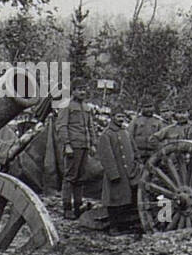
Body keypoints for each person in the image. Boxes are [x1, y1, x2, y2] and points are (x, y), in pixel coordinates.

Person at [55, 82, 96, 219]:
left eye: (84, 89)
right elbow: (61, 126)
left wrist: (92, 144)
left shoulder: (86, 107)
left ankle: (78, 207)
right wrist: (67, 144)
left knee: (81, 177)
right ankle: (67, 208)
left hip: (84, 145)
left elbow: (90, 127)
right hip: (73, 146)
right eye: (79, 89)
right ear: (73, 91)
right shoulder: (66, 106)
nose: (82, 92)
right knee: (70, 177)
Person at [96, 110, 138, 234]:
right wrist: (113, 174)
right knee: (114, 201)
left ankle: (124, 225)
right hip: (116, 173)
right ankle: (113, 227)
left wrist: (137, 165)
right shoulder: (106, 135)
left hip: (128, 173)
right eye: (118, 116)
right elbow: (106, 156)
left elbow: (134, 150)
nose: (121, 119)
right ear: (112, 117)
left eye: (123, 116)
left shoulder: (125, 132)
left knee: (126, 200)